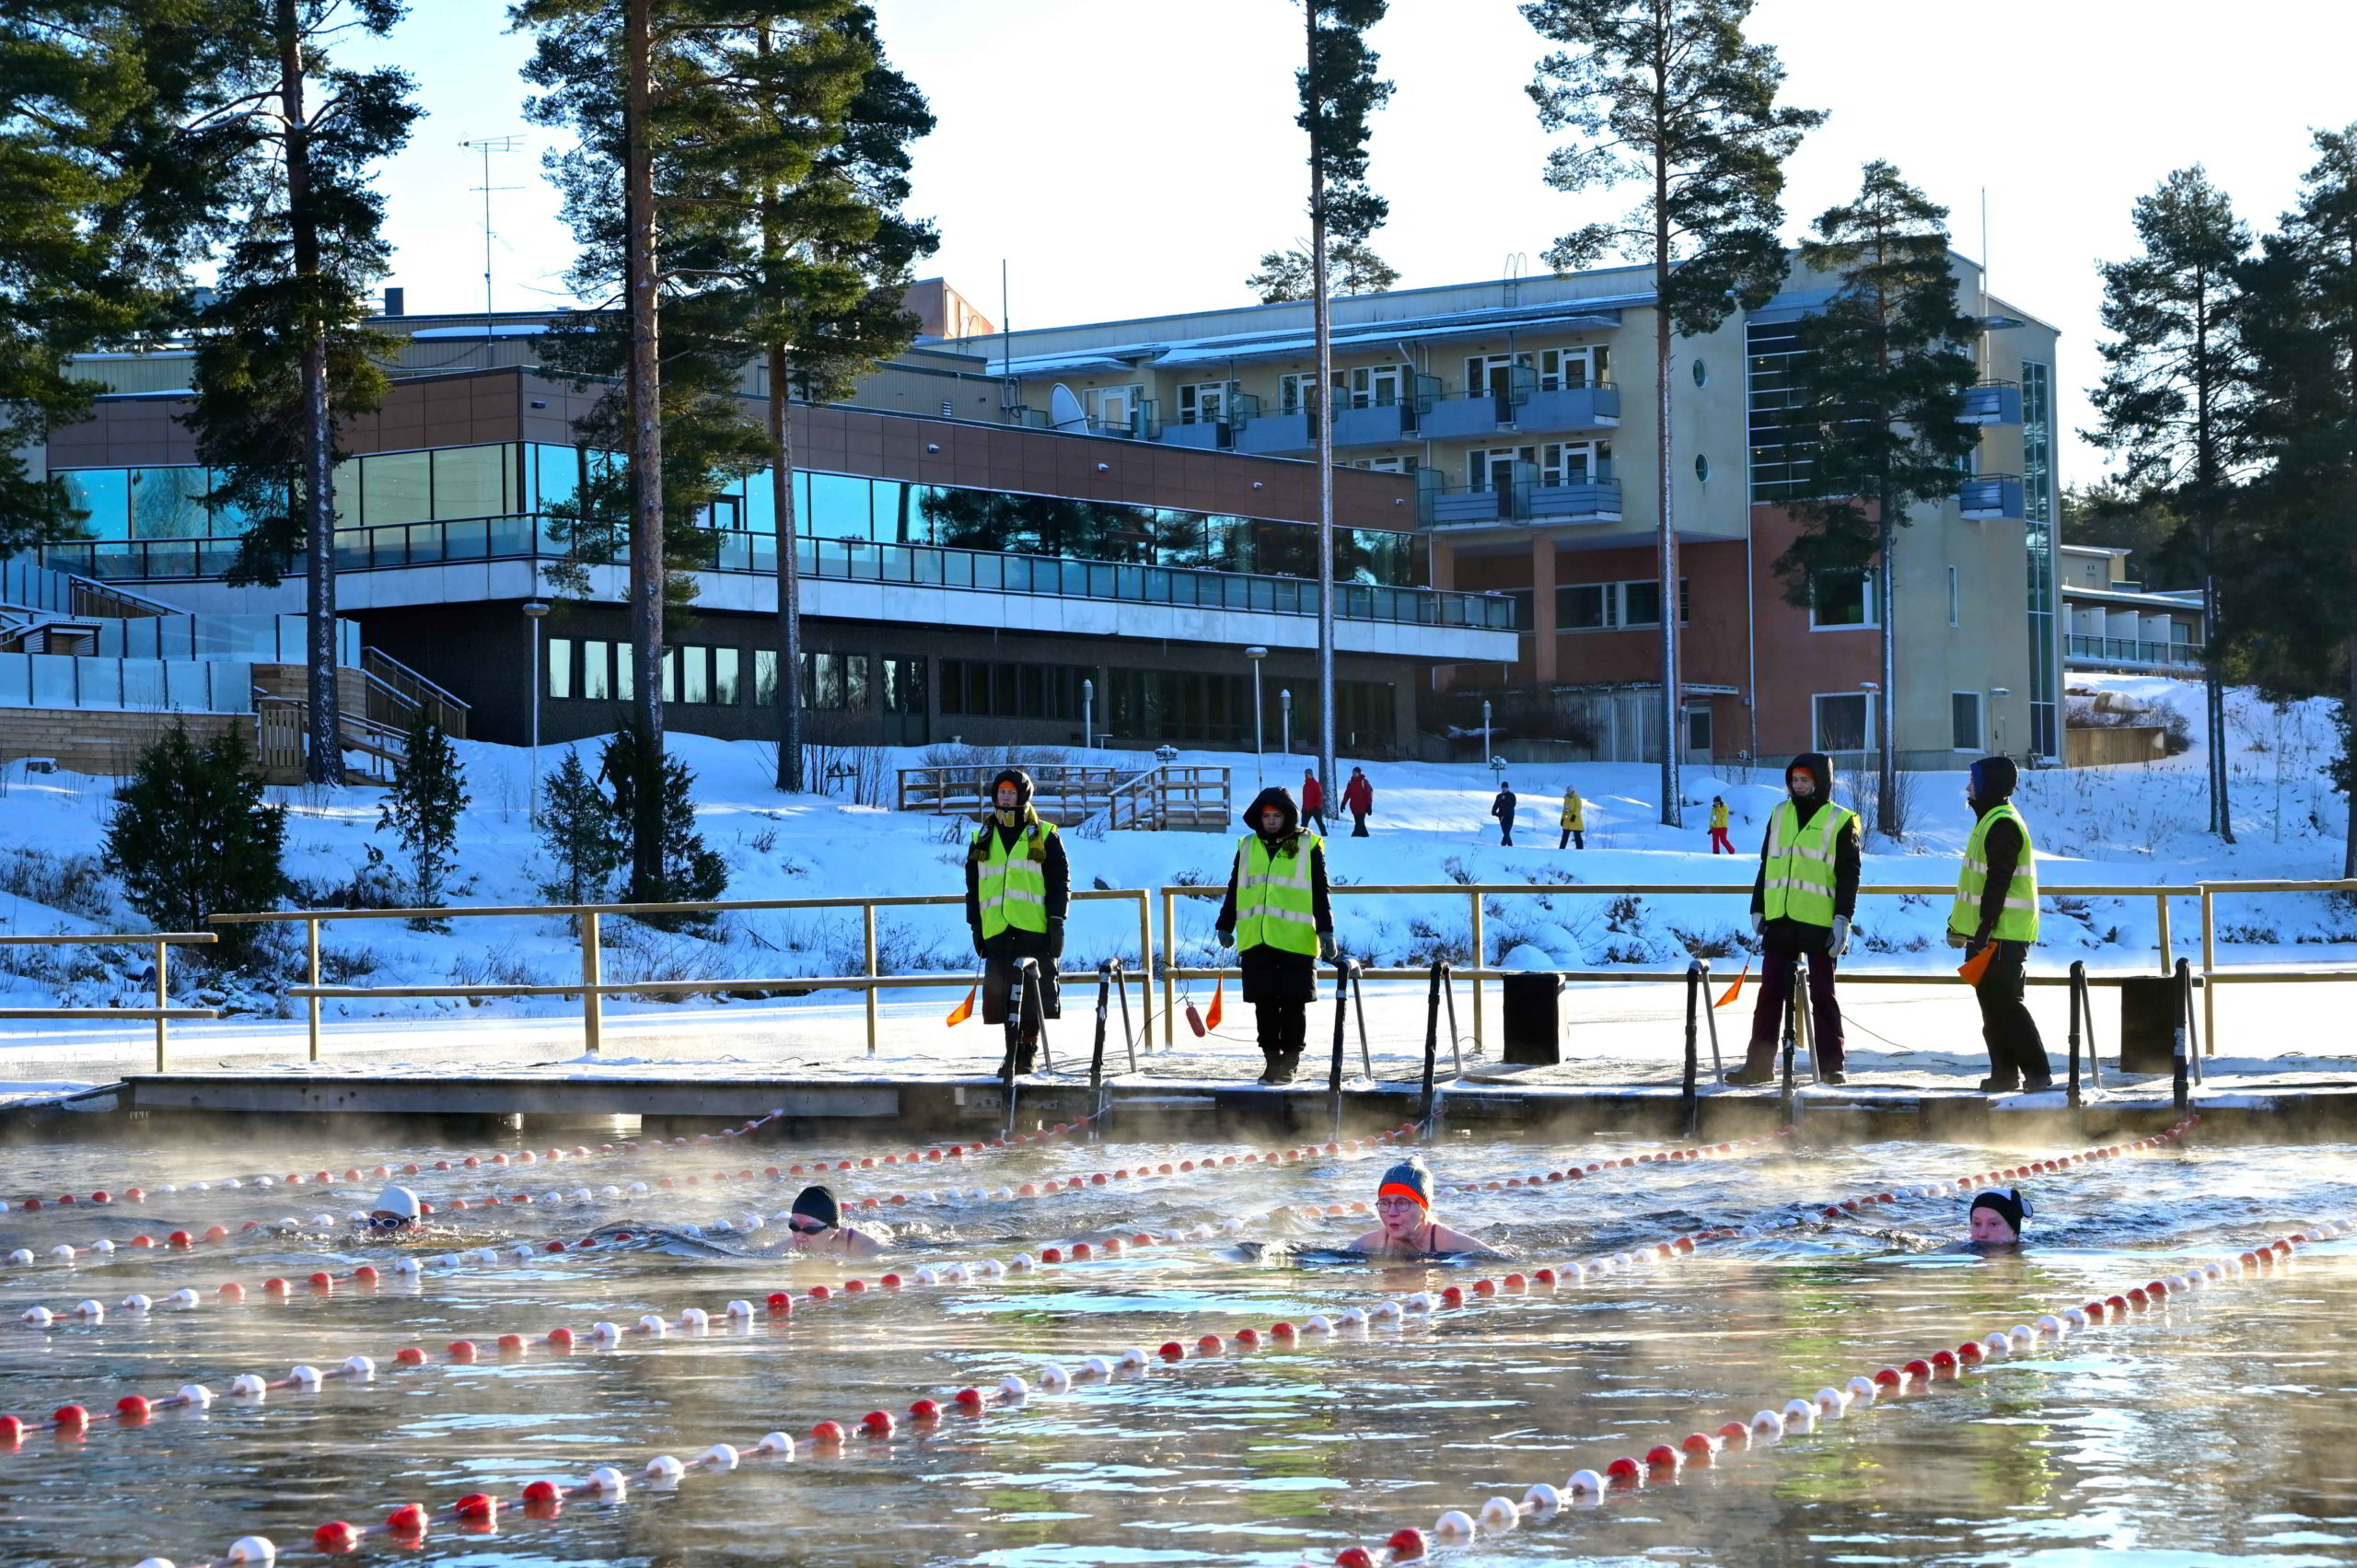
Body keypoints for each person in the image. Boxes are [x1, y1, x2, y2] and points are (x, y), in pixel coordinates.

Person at [1725, 753, 1859, 1087]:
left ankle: (1832, 1066)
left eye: (1805, 781)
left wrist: (1843, 918)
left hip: (1819, 922)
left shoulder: (1842, 820)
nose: (1798, 786)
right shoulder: (1779, 813)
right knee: (1769, 993)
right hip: (1781, 919)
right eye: (1794, 780)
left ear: (1820, 783)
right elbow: (1766, 864)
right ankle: (1758, 1065)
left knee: (1823, 996)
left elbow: (1849, 875)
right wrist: (1758, 907)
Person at [1214, 785, 1333, 1085]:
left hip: (1296, 941)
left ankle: (1290, 1063)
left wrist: (1326, 930)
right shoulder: (1247, 846)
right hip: (1258, 941)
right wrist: (1225, 924)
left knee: (1294, 1005)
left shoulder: (1308, 844)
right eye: (1266, 815)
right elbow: (1234, 889)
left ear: (1288, 816)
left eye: (1277, 816)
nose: (1270, 821)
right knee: (1264, 1006)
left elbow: (1320, 891)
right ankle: (1271, 1063)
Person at [1951, 756, 2053, 1093]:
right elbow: (1976, 884)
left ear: (1988, 784)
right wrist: (1960, 927)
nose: (1968, 787)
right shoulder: (1989, 821)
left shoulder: (2002, 823)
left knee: (2006, 1005)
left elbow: (1999, 880)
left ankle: (2037, 1073)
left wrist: (1983, 929)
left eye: (1973, 780)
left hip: (2002, 933)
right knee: (1993, 1008)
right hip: (1989, 933)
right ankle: (2005, 1074)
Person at [965, 767, 1069, 1078]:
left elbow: (1058, 882)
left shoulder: (1046, 835)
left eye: (1011, 792)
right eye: (1001, 792)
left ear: (1023, 795)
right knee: (1001, 994)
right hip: (997, 929)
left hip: (1033, 929)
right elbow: (973, 887)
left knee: (1032, 995)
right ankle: (1011, 1053)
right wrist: (975, 925)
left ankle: (1028, 1051)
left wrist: (1056, 921)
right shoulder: (981, 837)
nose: (1005, 798)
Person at [1345, 1158, 1501, 1258]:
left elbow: (1501, 1261)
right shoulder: (1365, 1246)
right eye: (1384, 1203)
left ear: (1424, 1207)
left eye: (1402, 1203)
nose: (1392, 1212)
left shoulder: (1452, 1243)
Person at [783, 1184, 888, 1258]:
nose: (800, 1238)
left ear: (833, 1230)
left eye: (811, 1229)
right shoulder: (793, 1244)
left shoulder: (863, 1246)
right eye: (794, 1227)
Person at [1949, 1189, 2031, 1252]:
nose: (1982, 1234)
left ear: (2014, 1232)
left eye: (1993, 1224)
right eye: (1977, 1224)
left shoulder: (2031, 1250)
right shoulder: (1957, 1249)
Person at [1343, 766, 1375, 837]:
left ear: (1359, 773)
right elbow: (1347, 793)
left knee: (1359, 822)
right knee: (1359, 822)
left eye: (1355, 772)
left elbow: (1368, 794)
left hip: (1363, 806)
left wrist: (1369, 805)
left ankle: (1355, 836)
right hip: (1354, 807)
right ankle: (1365, 835)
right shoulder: (1350, 782)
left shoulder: (1364, 782)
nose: (1354, 774)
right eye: (1353, 772)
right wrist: (1343, 803)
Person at [1558, 784, 1586, 850]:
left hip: (1575, 821)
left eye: (1569, 791)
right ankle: (1561, 849)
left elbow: (1578, 808)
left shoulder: (1577, 797)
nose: (1568, 792)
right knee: (1565, 835)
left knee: (1577, 836)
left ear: (1573, 791)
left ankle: (1580, 850)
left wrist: (1574, 816)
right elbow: (1565, 810)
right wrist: (1562, 819)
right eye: (1567, 791)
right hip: (1567, 820)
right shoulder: (1566, 798)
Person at [1301, 768, 1328, 835]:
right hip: (1306, 809)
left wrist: (1317, 806)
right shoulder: (1305, 786)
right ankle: (1302, 836)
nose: (1308, 775)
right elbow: (1305, 798)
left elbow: (1319, 795)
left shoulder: (1316, 784)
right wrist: (1303, 808)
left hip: (1315, 808)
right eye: (1307, 774)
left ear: (1312, 775)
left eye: (1309, 774)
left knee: (1319, 822)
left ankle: (1324, 835)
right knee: (1304, 824)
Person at [1492, 780, 1517, 846]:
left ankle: (1502, 846)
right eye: (1503, 788)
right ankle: (1510, 846)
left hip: (1510, 817)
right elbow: (1495, 805)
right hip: (1502, 817)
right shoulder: (1499, 796)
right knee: (1506, 833)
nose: (1504, 789)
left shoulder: (1512, 795)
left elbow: (1513, 804)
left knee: (1507, 832)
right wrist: (1496, 813)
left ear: (1508, 788)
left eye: (1505, 787)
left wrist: (1505, 799)